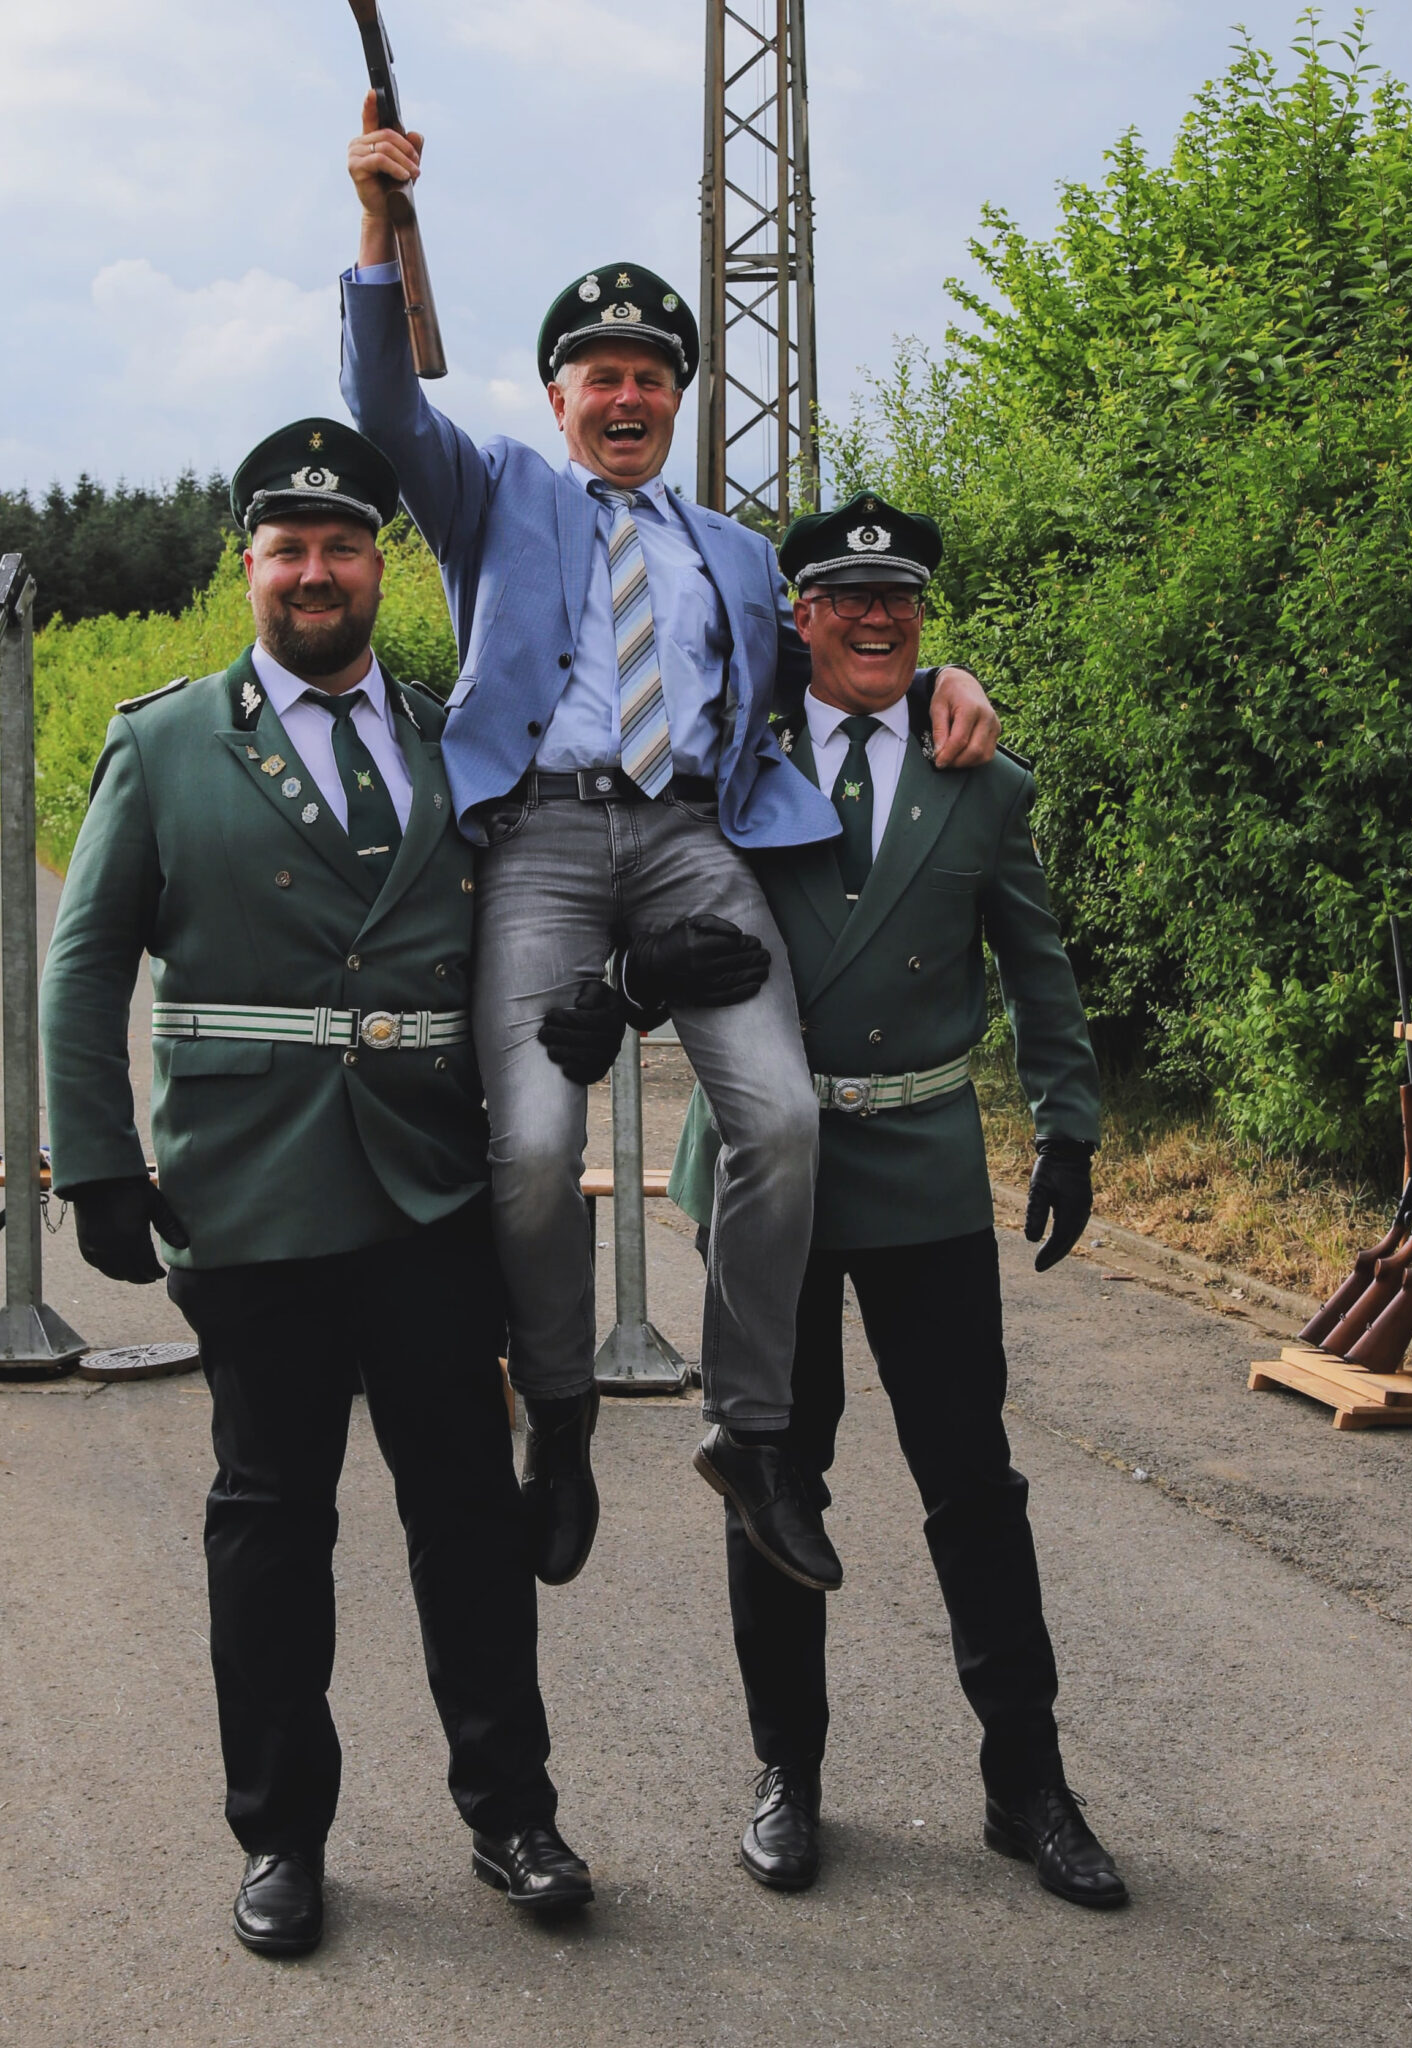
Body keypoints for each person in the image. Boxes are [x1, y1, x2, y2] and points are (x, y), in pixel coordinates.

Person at [340, 99, 1003, 1594]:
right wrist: (379, 221)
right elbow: (384, 407)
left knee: (781, 1121)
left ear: (679, 400)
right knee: (528, 1146)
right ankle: (561, 1416)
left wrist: (947, 675)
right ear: (560, 395)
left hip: (700, 844)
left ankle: (751, 1430)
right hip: (548, 846)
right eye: (601, 375)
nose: (626, 396)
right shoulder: (493, 494)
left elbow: (836, 674)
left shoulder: (741, 556)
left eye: (651, 376)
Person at [39, 419, 594, 1961]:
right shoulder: (163, 745)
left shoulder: (455, 740)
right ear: (248, 569)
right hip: (254, 1195)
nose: (315, 571)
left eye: (343, 545)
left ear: (378, 565)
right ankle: (281, 1838)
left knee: (468, 1521)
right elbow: (84, 969)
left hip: (426, 1189)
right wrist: (96, 1160)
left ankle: (512, 1813)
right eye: (287, 548)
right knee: (271, 1527)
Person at [666, 495, 1129, 1910]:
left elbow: (1038, 968)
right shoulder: (728, 760)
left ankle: (1026, 1782)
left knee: (971, 1487)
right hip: (770, 1172)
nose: (878, 620)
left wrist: (1068, 1126)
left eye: (903, 604)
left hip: (925, 1167)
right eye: (847, 599)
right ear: (796, 618)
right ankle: (787, 1775)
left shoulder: (982, 779)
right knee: (774, 1484)